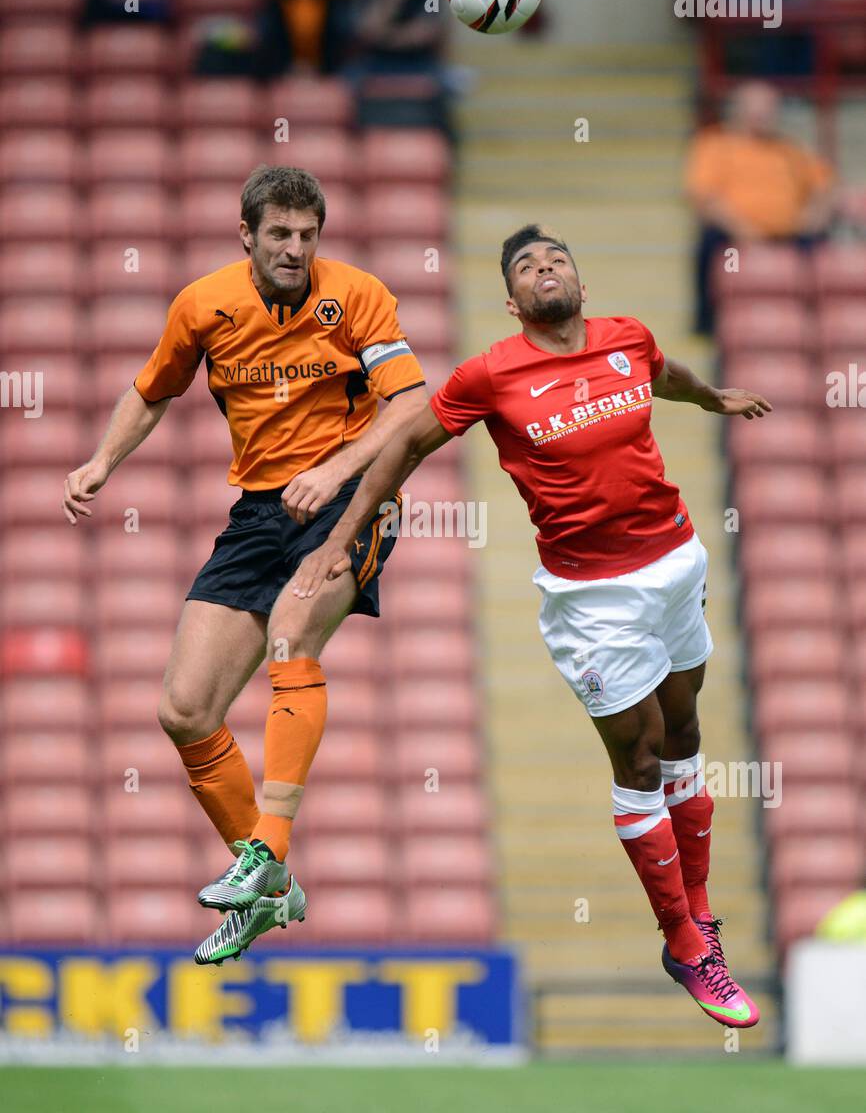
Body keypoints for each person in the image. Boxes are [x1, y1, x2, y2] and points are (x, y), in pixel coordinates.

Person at [290, 224, 773, 1030]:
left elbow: (665, 375)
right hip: (593, 598)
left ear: (580, 284)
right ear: (513, 301)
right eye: (527, 266)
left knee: (687, 731)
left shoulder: (628, 338)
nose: (545, 270)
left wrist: (712, 396)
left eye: (557, 260)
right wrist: (341, 539)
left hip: (677, 560)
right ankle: (684, 939)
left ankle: (702, 915)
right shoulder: (490, 374)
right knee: (643, 752)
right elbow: (406, 445)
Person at [62, 166, 427, 966]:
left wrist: (338, 472)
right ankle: (270, 886)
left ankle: (265, 845)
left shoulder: (358, 295)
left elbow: (411, 405)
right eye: (280, 236)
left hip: (352, 498)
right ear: (247, 236)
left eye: (308, 235)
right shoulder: (204, 304)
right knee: (184, 709)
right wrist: (101, 463)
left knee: (292, 637)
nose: (296, 249)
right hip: (259, 513)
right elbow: (153, 389)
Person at [685, 81, 834, 333]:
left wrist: (814, 214)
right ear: (739, 110)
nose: (763, 115)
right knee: (708, 243)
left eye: (769, 109)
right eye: (757, 108)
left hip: (791, 236)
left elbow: (825, 187)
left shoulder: (790, 150)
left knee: (824, 249)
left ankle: (816, 325)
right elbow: (704, 198)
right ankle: (708, 323)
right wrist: (745, 230)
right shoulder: (715, 144)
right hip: (733, 238)